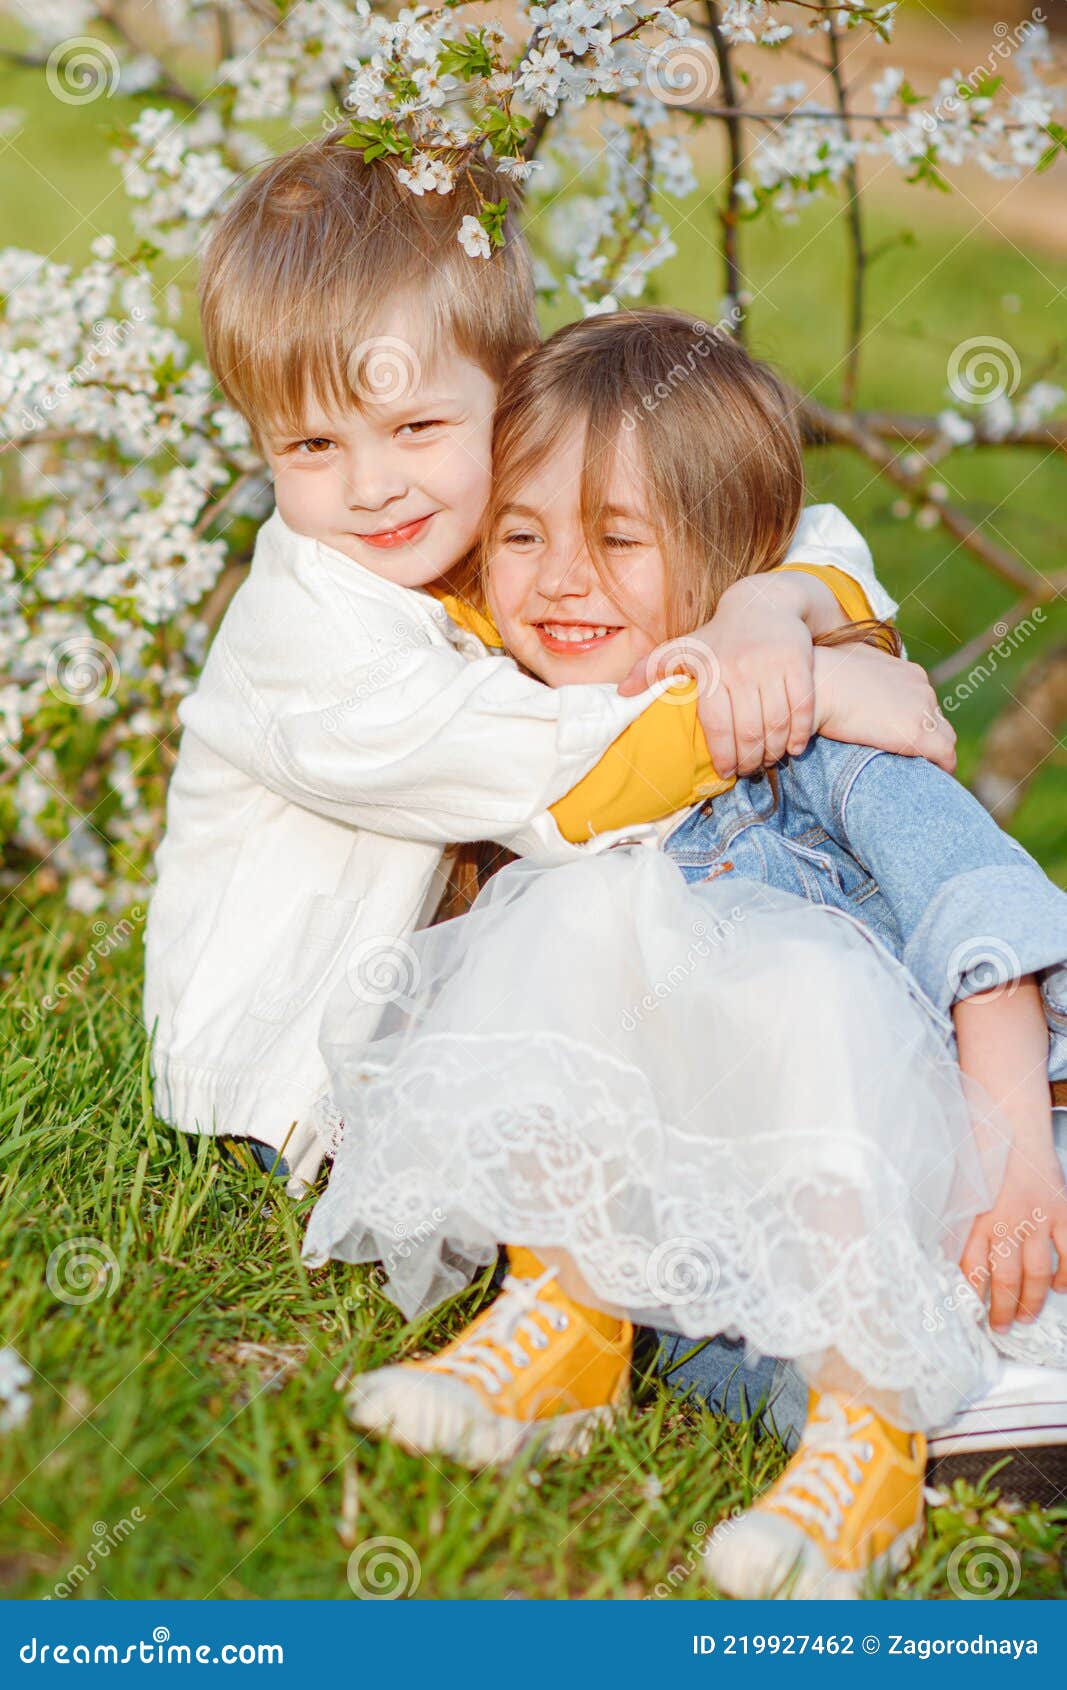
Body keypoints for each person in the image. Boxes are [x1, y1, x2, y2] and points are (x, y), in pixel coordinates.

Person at [304, 309, 1067, 1599]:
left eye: (615, 542)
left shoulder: (805, 729)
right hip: (733, 1232)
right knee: (576, 913)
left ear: (723, 570)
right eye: (522, 537)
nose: (557, 582)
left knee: (796, 976)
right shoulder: (530, 744)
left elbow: (975, 895)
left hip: (962, 1161)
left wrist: (1011, 1140)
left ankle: (881, 1424)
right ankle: (575, 1333)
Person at [144, 133, 928, 1192]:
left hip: (447, 980)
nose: (373, 486)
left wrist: (769, 606)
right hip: (276, 1075)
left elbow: (789, 528)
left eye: (415, 425)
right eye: (311, 447)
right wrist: (806, 685)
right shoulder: (306, 639)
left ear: (509, 390)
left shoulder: (506, 505)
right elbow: (565, 789)